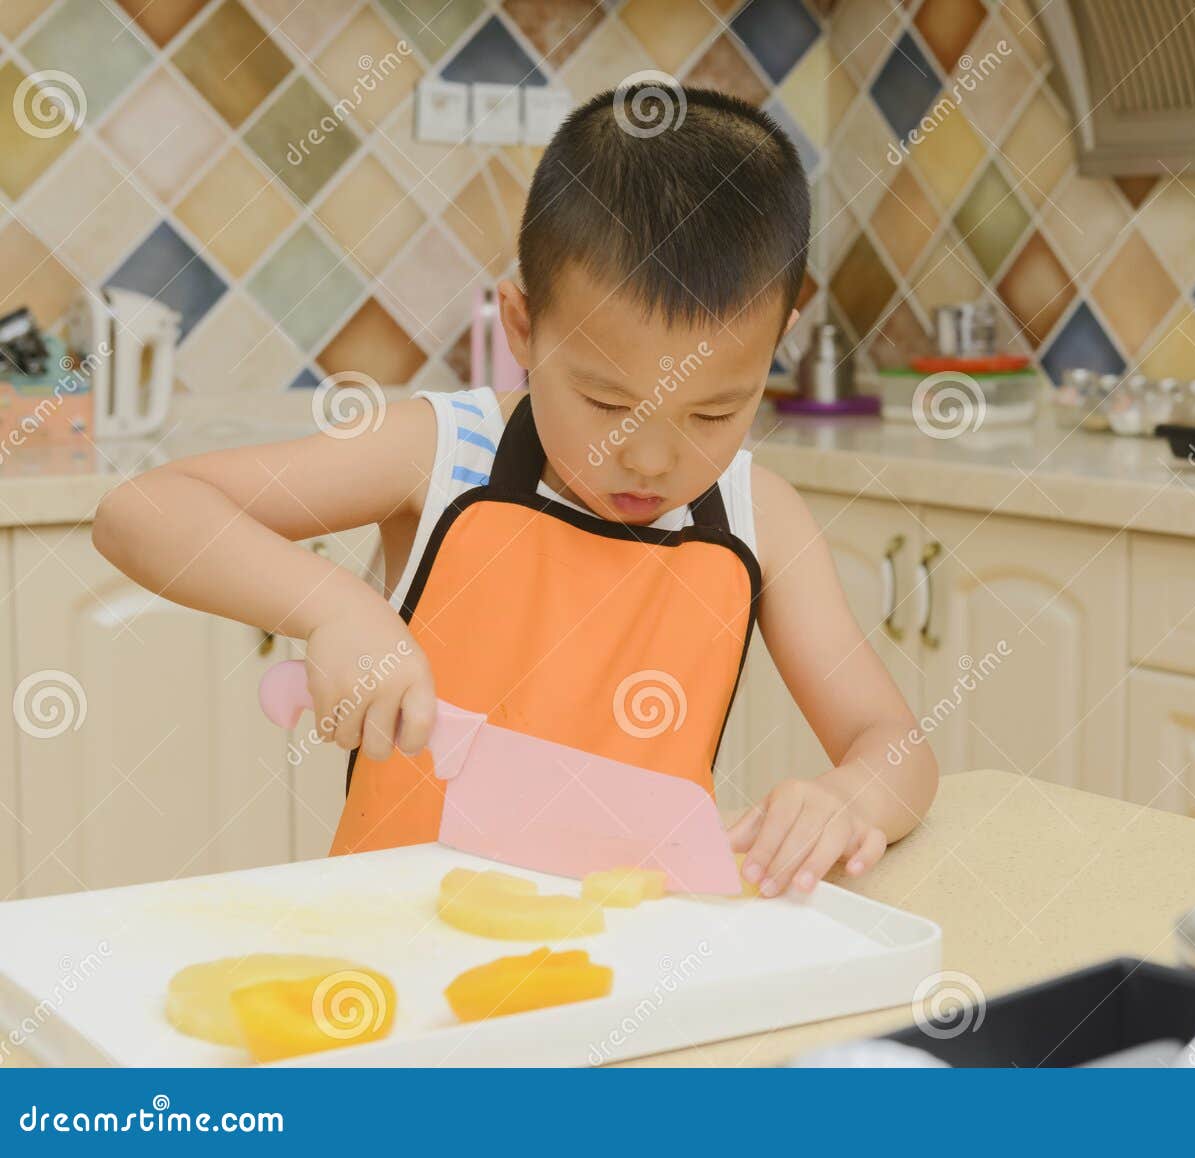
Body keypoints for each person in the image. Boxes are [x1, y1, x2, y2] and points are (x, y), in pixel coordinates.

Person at [93, 86, 937, 899]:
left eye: (714, 413)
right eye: (606, 403)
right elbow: (140, 512)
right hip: (394, 956)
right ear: (524, 326)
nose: (649, 460)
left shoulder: (762, 519)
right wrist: (334, 608)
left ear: (779, 344)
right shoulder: (441, 453)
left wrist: (848, 799)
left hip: (634, 962)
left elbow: (894, 744)